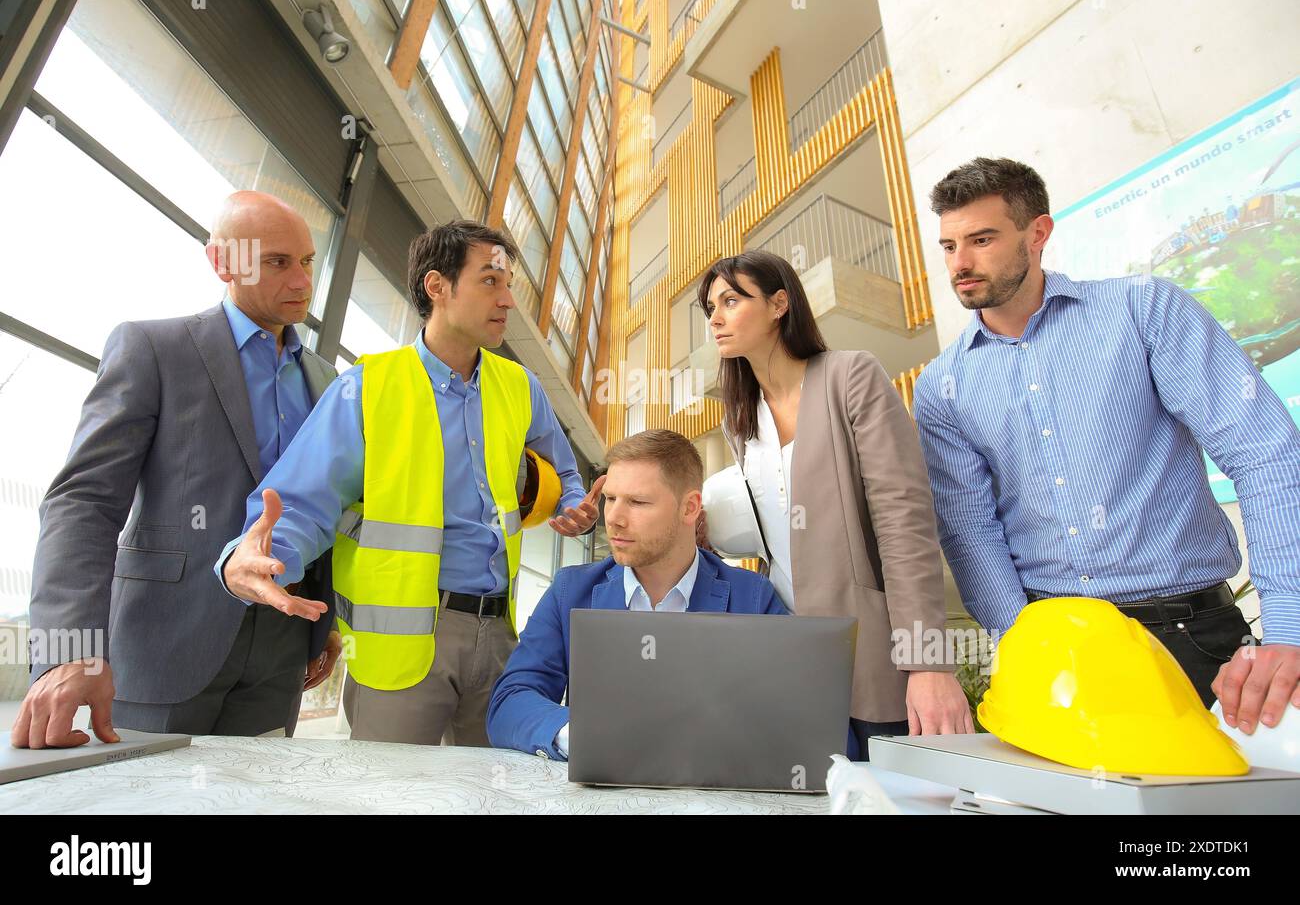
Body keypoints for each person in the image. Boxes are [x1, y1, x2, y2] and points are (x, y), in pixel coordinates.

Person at [914, 156, 1300, 733]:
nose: (960, 263)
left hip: (1194, 639)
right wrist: (1026, 647)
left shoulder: (1144, 310)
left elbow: (1264, 451)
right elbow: (970, 530)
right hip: (1064, 653)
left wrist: (1290, 629)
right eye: (948, 246)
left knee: (1217, 820)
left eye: (982, 239)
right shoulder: (942, 387)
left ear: (1038, 233)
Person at [219, 220, 602, 746]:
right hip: (402, 645)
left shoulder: (520, 386)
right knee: (389, 798)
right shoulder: (367, 386)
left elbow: (562, 471)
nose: (508, 300)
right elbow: (302, 503)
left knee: (492, 798)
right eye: (491, 281)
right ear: (437, 286)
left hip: (499, 639)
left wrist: (577, 504)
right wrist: (258, 555)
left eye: (509, 283)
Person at [13, 191, 341, 749]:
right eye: (278, 262)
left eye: (307, 262)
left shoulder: (328, 381)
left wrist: (328, 620)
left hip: (280, 652)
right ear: (222, 264)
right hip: (164, 642)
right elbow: (84, 501)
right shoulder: (153, 348)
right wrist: (68, 651)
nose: (301, 282)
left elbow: (326, 505)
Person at [697, 251, 972, 760]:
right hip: (792, 657)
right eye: (710, 306)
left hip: (876, 656)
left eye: (731, 301)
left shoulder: (850, 377)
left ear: (780, 304)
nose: (714, 318)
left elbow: (904, 524)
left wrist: (927, 661)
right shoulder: (741, 422)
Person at [487, 429, 787, 759]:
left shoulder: (754, 598)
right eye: (611, 498)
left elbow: (809, 720)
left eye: (637, 502)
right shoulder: (569, 591)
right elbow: (510, 701)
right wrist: (586, 737)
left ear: (689, 509)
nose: (613, 518)